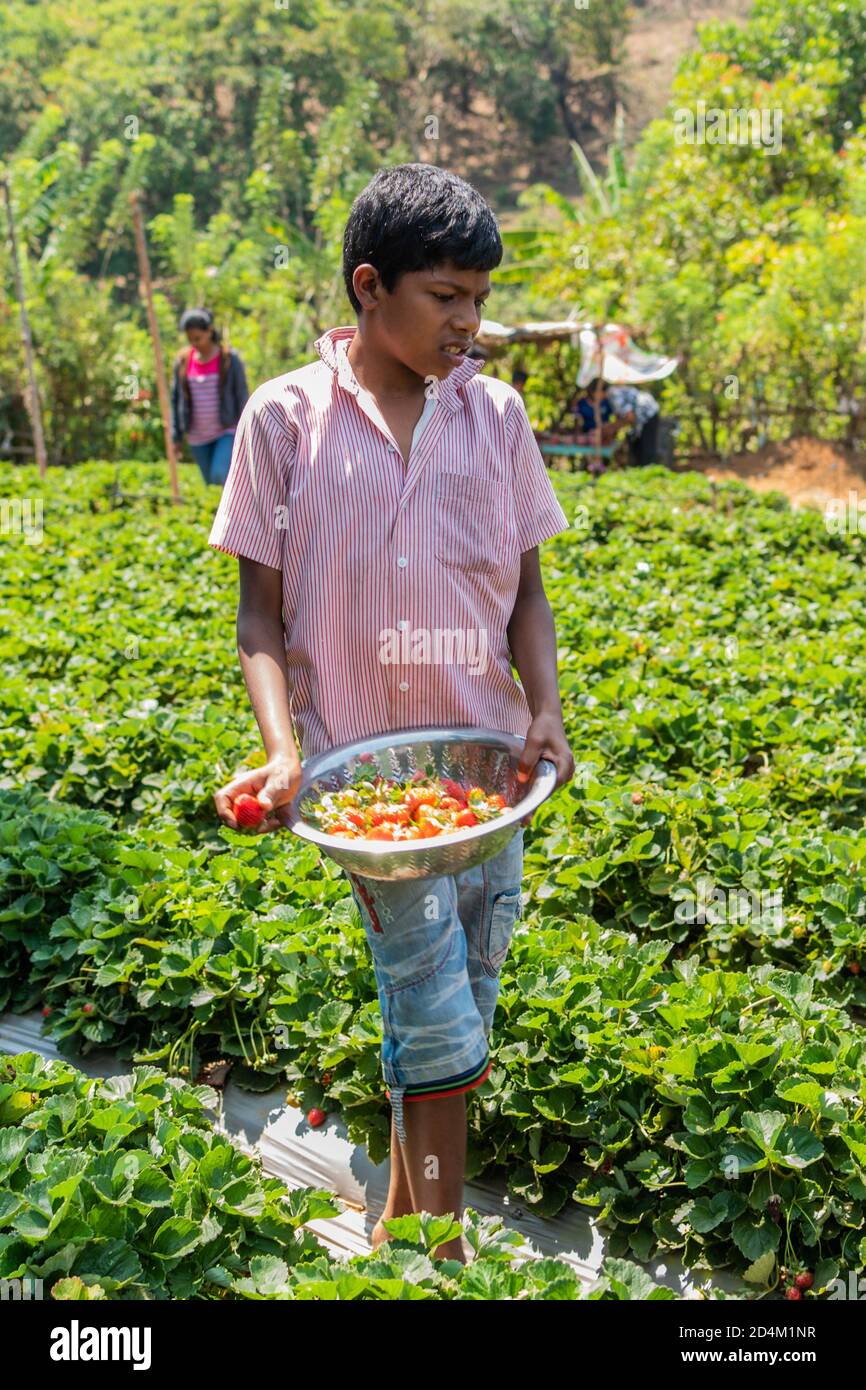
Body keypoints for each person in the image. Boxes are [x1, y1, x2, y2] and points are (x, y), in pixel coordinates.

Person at [207, 162, 575, 1264]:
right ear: (370, 287)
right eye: (444, 296)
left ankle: (400, 1216)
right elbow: (258, 615)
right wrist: (281, 753)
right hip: (370, 793)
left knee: (459, 995)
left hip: (487, 777)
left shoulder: (497, 416)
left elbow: (528, 595)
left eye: (477, 298)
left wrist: (546, 712)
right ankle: (442, 1252)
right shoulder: (283, 420)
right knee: (434, 1009)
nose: (469, 322)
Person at [170, 308, 249, 486]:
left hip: (226, 430)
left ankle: (238, 510)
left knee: (219, 475)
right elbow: (175, 399)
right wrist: (176, 437)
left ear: (209, 331)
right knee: (211, 483)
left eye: (198, 338)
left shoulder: (228, 358)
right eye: (190, 339)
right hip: (197, 435)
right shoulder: (183, 361)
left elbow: (242, 394)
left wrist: (248, 429)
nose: (194, 343)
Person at [607, 381, 661, 466]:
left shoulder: (613, 394)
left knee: (646, 447)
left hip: (647, 414)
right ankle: (641, 469)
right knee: (637, 445)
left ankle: (648, 471)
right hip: (644, 413)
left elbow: (630, 416)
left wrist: (612, 428)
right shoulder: (614, 392)